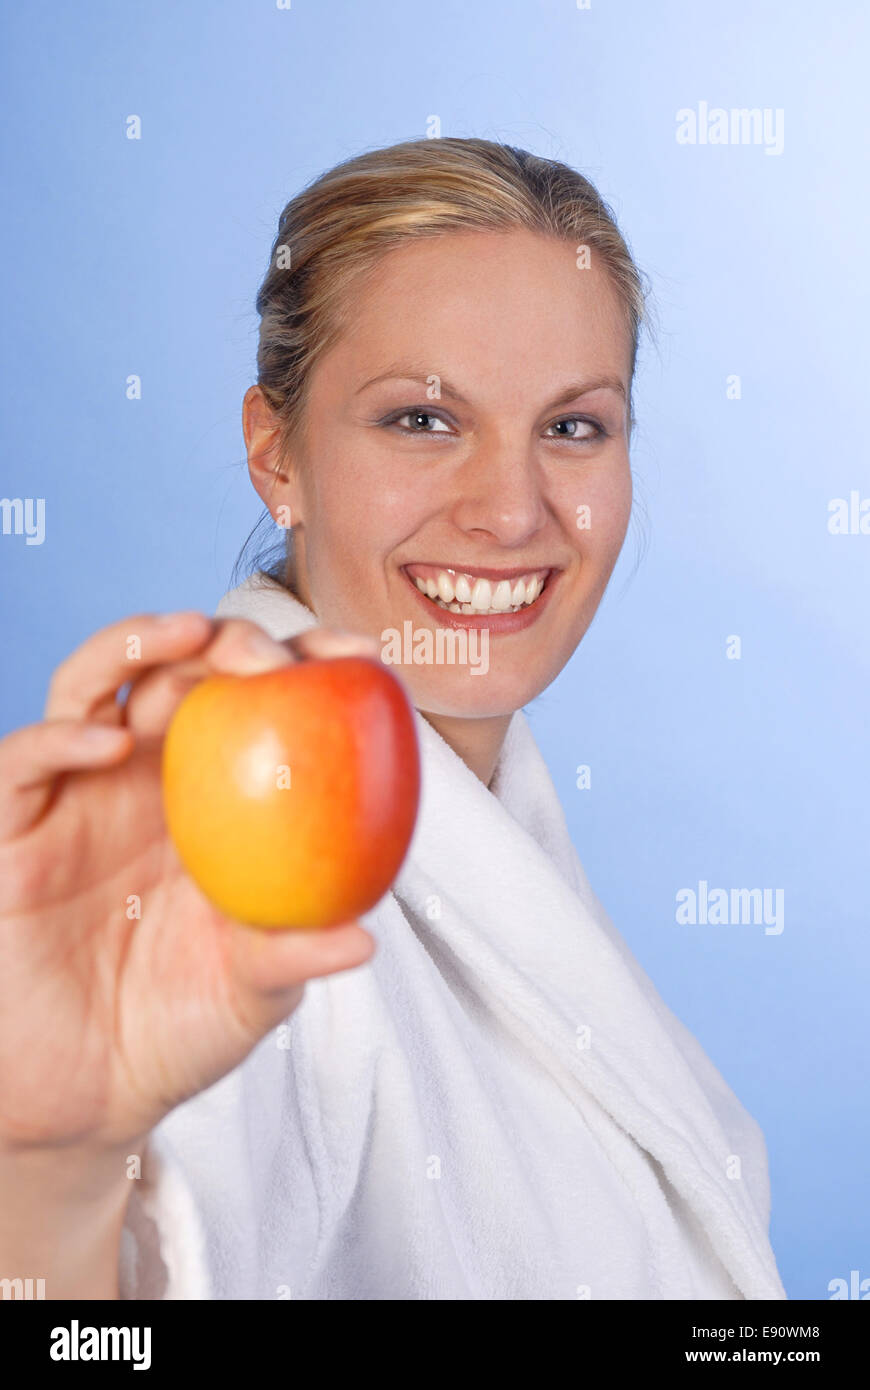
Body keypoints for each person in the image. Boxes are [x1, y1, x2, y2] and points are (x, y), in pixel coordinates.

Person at [0, 137, 786, 1300]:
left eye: (573, 427)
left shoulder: (481, 819)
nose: (512, 513)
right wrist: (48, 1171)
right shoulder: (228, 845)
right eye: (423, 419)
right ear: (278, 454)